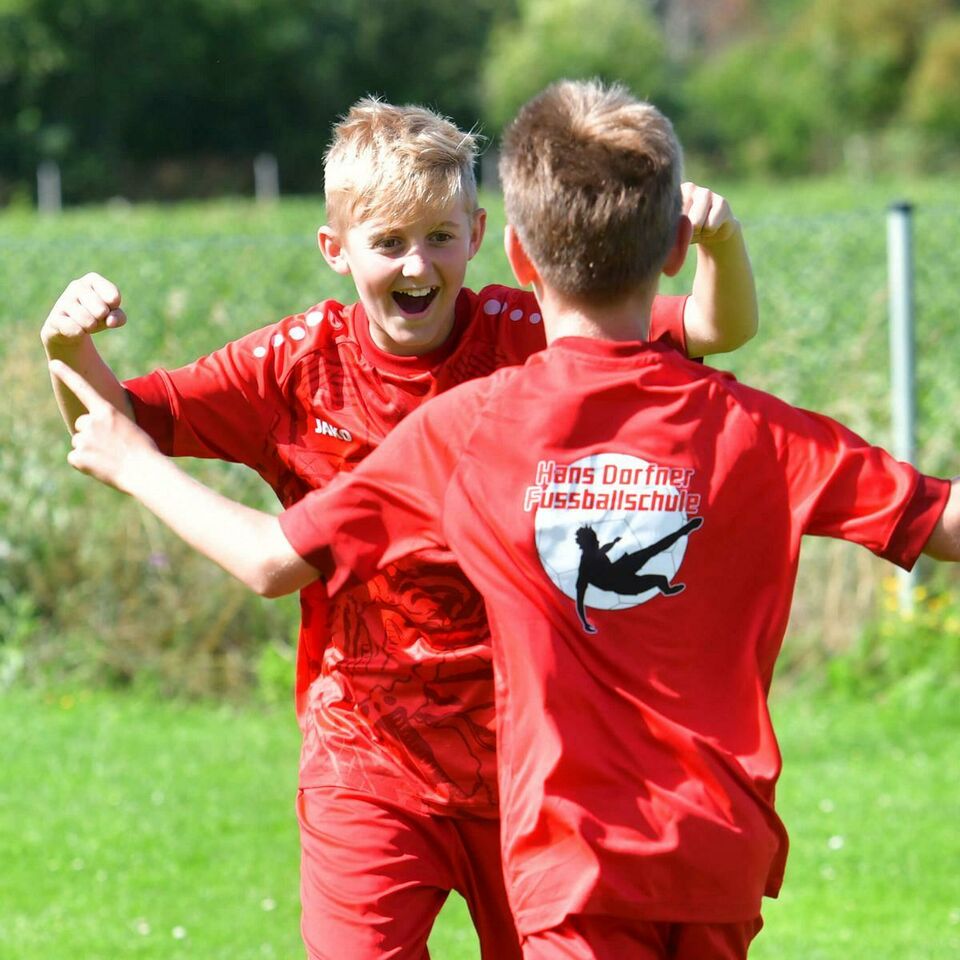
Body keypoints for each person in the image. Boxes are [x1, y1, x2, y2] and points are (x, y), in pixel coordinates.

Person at [41, 97, 759, 959]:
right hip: (368, 754)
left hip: (536, 755)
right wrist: (68, 348)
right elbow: (115, 428)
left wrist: (718, 243)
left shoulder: (531, 337)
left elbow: (714, 327)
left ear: (481, 233)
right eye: (387, 243)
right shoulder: (291, 363)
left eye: (439, 238)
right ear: (335, 249)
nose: (416, 263)